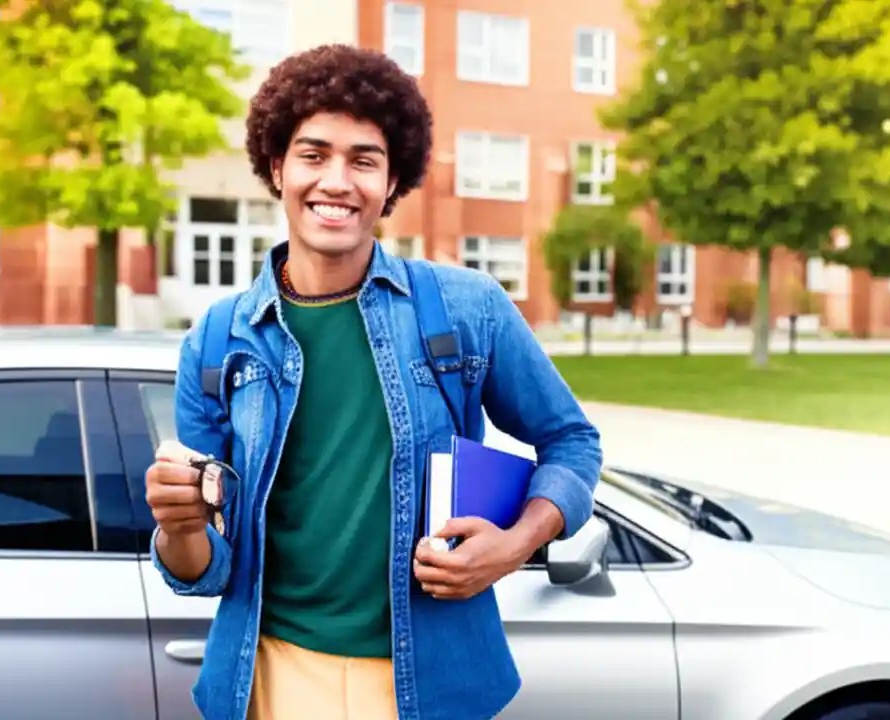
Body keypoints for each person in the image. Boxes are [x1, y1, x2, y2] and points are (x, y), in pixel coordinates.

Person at [144, 44, 602, 720]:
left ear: (391, 184)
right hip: (269, 678)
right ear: (277, 167)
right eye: (313, 154)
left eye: (364, 161)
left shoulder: (465, 308)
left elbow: (571, 442)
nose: (337, 180)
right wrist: (175, 526)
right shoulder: (218, 341)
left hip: (430, 684)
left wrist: (514, 547)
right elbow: (203, 569)